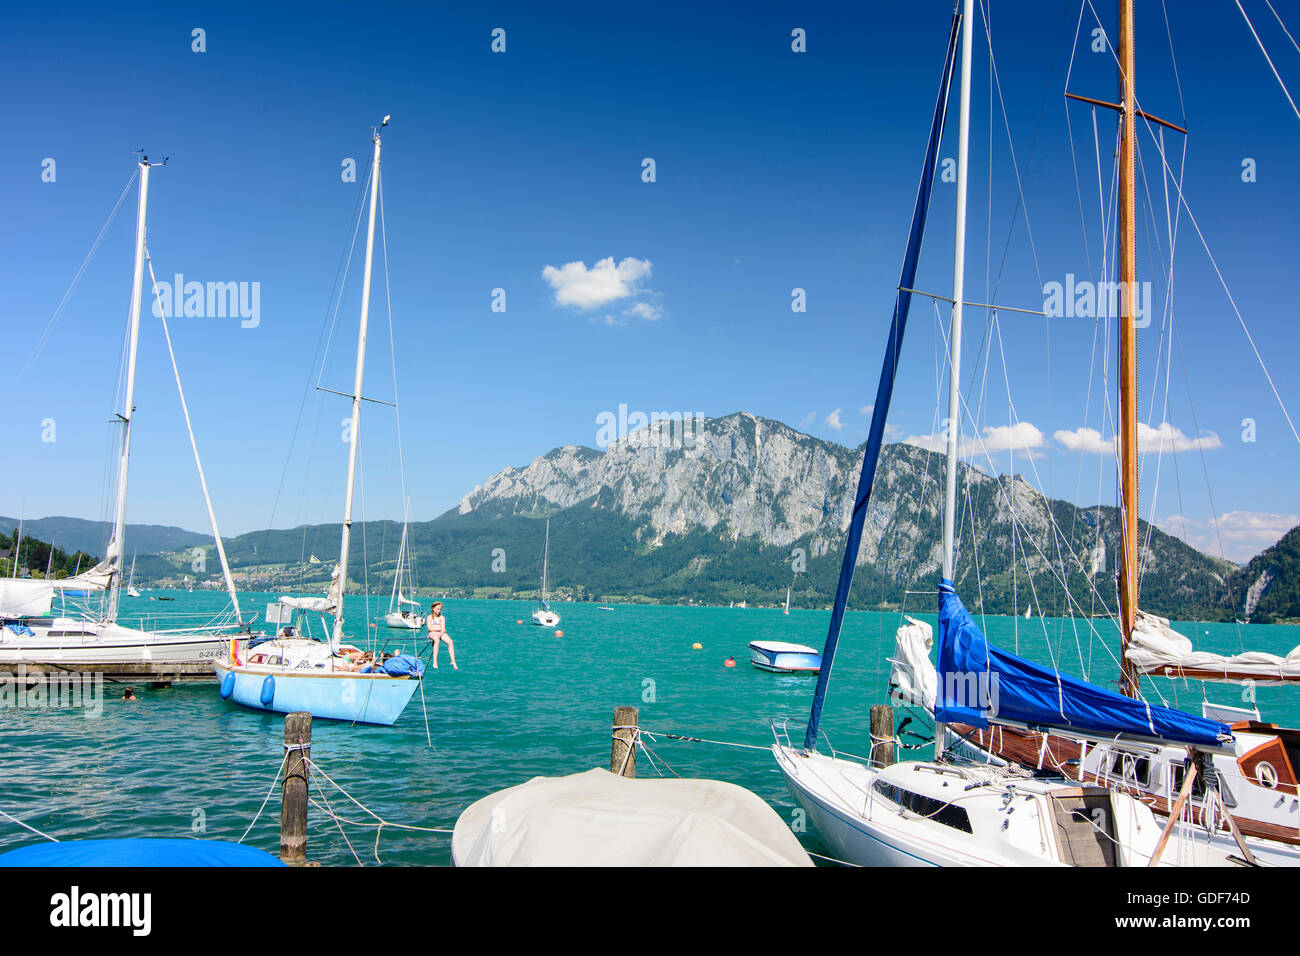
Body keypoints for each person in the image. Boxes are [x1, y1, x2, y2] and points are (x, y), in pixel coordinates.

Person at [426, 601, 457, 670]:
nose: (439, 611)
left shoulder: (442, 617)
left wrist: (440, 633)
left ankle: (453, 661)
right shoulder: (429, 617)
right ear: (433, 609)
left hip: (440, 632)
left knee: (450, 642)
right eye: (438, 609)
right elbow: (430, 628)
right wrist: (439, 629)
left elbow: (443, 628)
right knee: (437, 640)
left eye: (440, 609)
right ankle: (435, 661)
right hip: (432, 633)